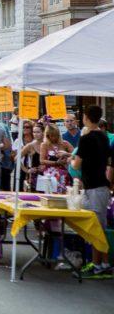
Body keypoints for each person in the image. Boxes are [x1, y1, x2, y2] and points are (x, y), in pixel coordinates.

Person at [72, 105, 113, 277]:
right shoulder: (104, 137)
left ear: (86, 118)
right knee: (97, 227)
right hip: (98, 187)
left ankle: (98, 265)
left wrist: (70, 160)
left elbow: (76, 164)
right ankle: (102, 263)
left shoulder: (86, 138)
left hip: (95, 188)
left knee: (96, 228)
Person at [39, 124, 74, 193]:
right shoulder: (44, 145)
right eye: (52, 136)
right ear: (48, 136)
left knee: (63, 192)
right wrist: (56, 163)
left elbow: (75, 154)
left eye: (56, 135)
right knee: (51, 192)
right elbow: (42, 161)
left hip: (63, 173)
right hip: (50, 174)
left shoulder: (65, 143)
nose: (54, 137)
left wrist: (66, 154)